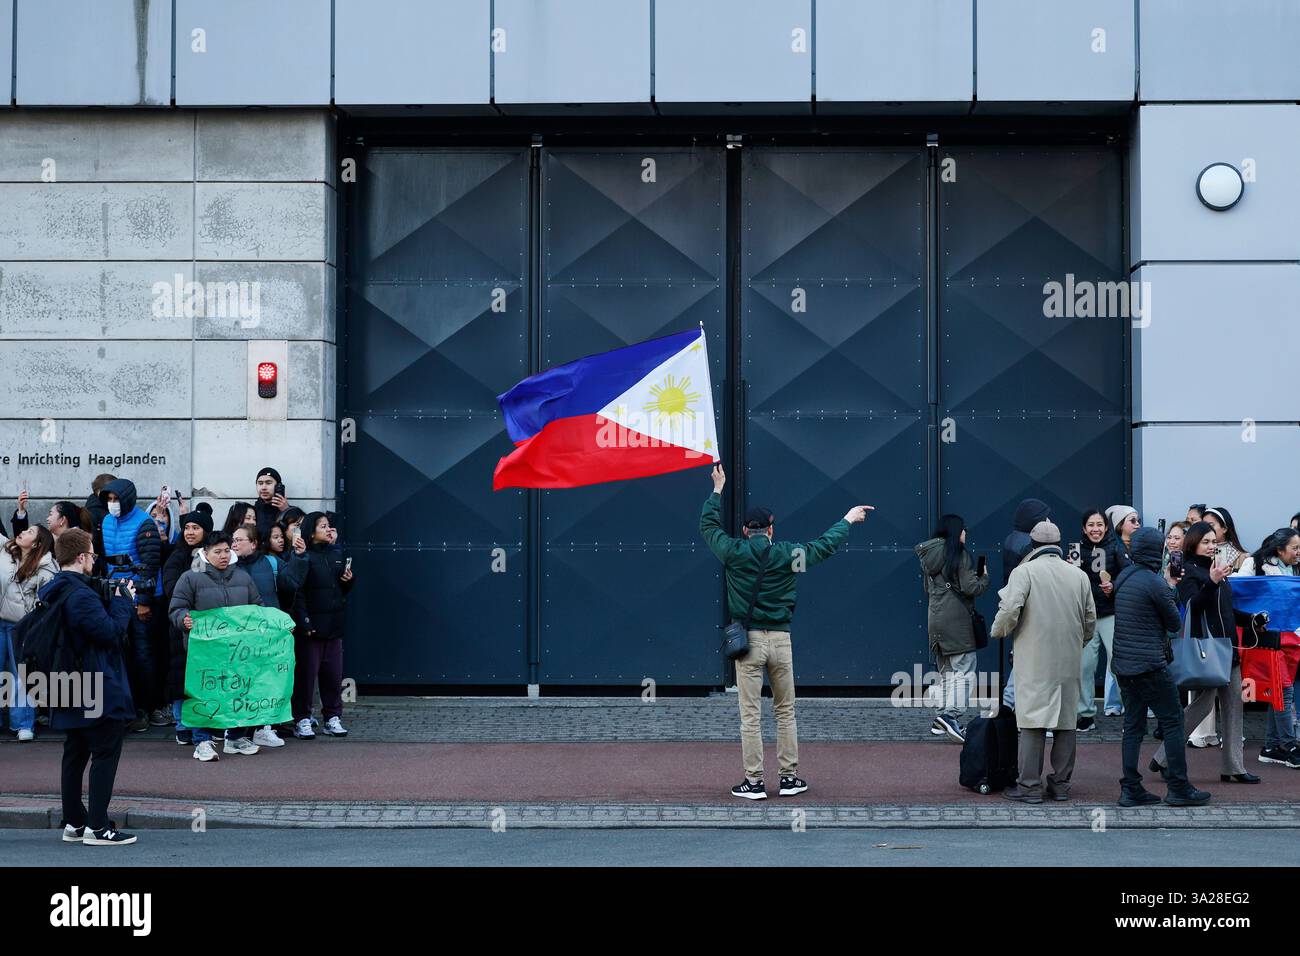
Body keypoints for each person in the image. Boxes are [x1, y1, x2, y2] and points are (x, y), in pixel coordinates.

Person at [701, 464, 872, 800]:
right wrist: (847, 519)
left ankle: (753, 783)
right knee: (785, 710)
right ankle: (790, 778)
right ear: (771, 529)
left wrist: (717, 490)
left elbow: (708, 527)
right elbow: (823, 547)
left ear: (746, 531)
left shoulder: (733, 553)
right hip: (780, 640)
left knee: (750, 714)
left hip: (746, 644)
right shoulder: (788, 555)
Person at [990, 520, 1096, 804]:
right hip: (1069, 658)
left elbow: (1010, 609)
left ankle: (1029, 786)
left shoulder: (1023, 572)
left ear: (1032, 546)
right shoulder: (1078, 576)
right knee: (1065, 722)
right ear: (1058, 545)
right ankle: (1060, 785)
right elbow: (1090, 619)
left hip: (1034, 658)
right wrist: (1079, 643)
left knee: (1032, 721)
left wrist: (998, 630)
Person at [43, 528, 137, 845]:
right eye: (93, 555)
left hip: (66, 680)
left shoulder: (52, 589)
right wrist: (125, 603)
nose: (94, 561)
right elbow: (110, 634)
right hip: (92, 682)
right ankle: (97, 827)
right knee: (106, 750)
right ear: (82, 557)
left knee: (76, 751)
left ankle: (74, 821)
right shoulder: (80, 595)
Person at [1150, 521, 1261, 783]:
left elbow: (1226, 611)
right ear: (1194, 544)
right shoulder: (1189, 571)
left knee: (1234, 709)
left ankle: (1234, 767)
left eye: (1214, 542)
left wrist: (1251, 620)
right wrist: (1211, 582)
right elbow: (1190, 605)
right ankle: (1163, 756)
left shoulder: (1217, 571)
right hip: (1206, 649)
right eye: (1206, 542)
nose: (1212, 546)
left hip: (1228, 647)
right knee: (1200, 706)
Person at [1111, 526, 1212, 806]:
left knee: (1133, 726)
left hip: (1123, 665)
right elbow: (1174, 624)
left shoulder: (1125, 577)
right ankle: (1178, 787)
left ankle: (1130, 788)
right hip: (1150, 666)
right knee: (1173, 720)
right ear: (1157, 552)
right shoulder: (1155, 583)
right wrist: (1170, 587)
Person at [168, 532, 265, 759]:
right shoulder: (190, 578)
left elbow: (258, 607)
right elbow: (176, 608)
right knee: (203, 695)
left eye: (226, 550)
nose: (223, 555)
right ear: (205, 553)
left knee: (240, 691)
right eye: (217, 551)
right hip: (204, 651)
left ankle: (236, 738)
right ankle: (202, 741)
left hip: (237, 651)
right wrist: (184, 619)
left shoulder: (243, 577)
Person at [915, 515, 989, 743]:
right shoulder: (960, 555)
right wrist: (984, 577)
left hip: (935, 619)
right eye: (964, 530)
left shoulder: (930, 557)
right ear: (957, 531)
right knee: (964, 670)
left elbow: (928, 591)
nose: (966, 533)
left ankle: (941, 720)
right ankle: (951, 715)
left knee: (947, 671)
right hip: (957, 621)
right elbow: (970, 587)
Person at [98, 479, 162, 734]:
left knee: (143, 655)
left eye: (116, 499)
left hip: (138, 600)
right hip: (115, 597)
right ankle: (124, 707)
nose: (112, 504)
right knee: (121, 656)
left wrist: (144, 602)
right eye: (109, 499)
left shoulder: (144, 523)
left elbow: (150, 564)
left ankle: (145, 708)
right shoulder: (106, 522)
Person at [1236, 528, 1300, 769]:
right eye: (1294, 548)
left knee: (1280, 688)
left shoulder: (1296, 567)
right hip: (1267, 637)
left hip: (1292, 637)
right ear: (1279, 549)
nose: (1298, 552)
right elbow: (1241, 591)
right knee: (1283, 689)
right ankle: (1289, 744)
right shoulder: (1255, 564)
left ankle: (1272, 746)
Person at [290, 512, 355, 740]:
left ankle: (332, 717)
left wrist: (348, 581)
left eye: (329, 526)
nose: (329, 530)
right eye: (323, 526)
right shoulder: (302, 556)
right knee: (306, 678)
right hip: (311, 629)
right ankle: (302, 719)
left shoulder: (336, 554)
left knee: (333, 675)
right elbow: (297, 592)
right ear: (311, 530)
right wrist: (305, 621)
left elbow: (339, 590)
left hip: (334, 626)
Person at [230, 526, 289, 750]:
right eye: (233, 540)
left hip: (267, 632)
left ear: (253, 543)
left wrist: (300, 558)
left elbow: (292, 585)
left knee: (266, 680)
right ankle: (237, 732)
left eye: (239, 540)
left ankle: (264, 729)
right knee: (242, 682)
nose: (234, 544)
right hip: (240, 634)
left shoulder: (271, 563)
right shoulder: (228, 565)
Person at [1074, 509, 1130, 731]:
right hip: (1085, 617)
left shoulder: (1116, 547)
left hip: (1111, 614)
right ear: (1083, 528)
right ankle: (1085, 715)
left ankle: (1132, 713)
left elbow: (1128, 573)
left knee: (1119, 664)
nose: (1095, 529)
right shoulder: (1076, 550)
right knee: (1084, 667)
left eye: (1099, 524)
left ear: (1106, 527)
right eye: (1090, 524)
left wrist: (1114, 585)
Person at [0, 525, 57, 740]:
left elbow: (48, 599)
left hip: (22, 626)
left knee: (21, 676)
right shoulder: (6, 549)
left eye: (30, 532)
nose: (23, 532)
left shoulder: (46, 566)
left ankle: (24, 723)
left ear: (36, 544)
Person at [162, 507, 212, 749]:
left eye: (196, 528)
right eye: (188, 527)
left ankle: (202, 723)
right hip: (181, 623)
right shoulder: (176, 555)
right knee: (180, 674)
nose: (190, 532)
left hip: (208, 624)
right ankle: (182, 723)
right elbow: (172, 588)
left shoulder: (212, 554)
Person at [999, 498, 1052, 710]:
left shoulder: (1012, 539)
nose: (1049, 520)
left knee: (1023, 659)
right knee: (1033, 662)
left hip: (1019, 607)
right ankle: (1016, 707)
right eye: (1045, 516)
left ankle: (1008, 706)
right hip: (1032, 609)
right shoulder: (1027, 545)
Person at [1202, 507, 1248, 572]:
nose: (1206, 530)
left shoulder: (1243, 557)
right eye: (1203, 526)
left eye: (1211, 526)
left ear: (1224, 528)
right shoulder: (1198, 552)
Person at [253, 467, 291, 537]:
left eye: (268, 483)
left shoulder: (292, 511)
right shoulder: (251, 512)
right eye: (260, 483)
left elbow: (298, 536)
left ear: (278, 486)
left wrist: (287, 512)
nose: (264, 487)